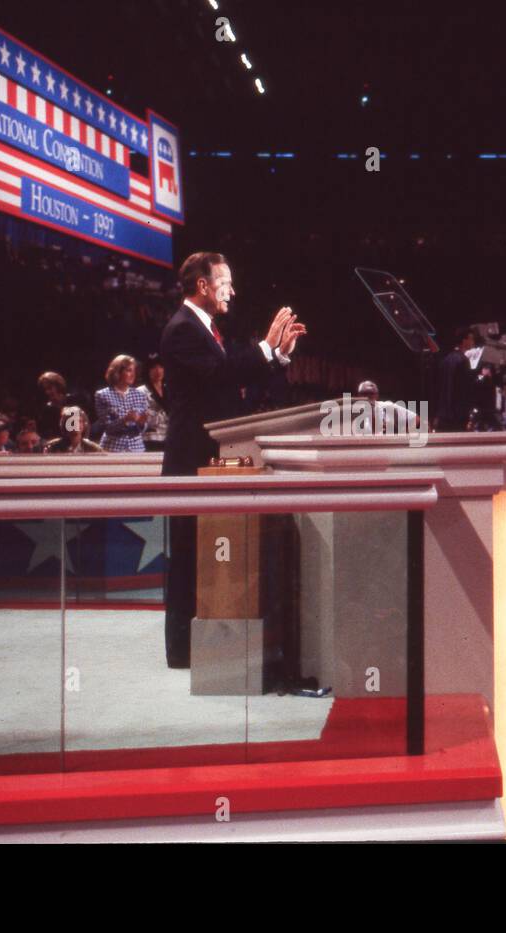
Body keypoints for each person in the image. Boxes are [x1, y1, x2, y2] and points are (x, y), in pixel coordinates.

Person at [158, 251, 304, 669]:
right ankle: (182, 651)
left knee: (199, 558)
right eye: (225, 282)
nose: (232, 290)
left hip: (209, 459)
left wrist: (278, 355)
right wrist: (266, 347)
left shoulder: (204, 329)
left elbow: (232, 374)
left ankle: (193, 648)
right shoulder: (182, 330)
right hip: (191, 462)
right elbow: (222, 374)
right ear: (203, 285)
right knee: (187, 557)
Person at [94, 355, 149, 453]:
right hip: (112, 448)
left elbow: (142, 429)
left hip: (136, 449)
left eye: (134, 371)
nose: (133, 374)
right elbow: (107, 427)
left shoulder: (140, 394)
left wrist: (141, 423)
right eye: (128, 370)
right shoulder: (103, 395)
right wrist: (125, 420)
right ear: (117, 372)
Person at [432, 326, 477, 431]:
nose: (473, 342)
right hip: (457, 415)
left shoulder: (446, 359)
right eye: (471, 339)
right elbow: (464, 390)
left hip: (443, 414)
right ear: (464, 340)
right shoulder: (463, 360)